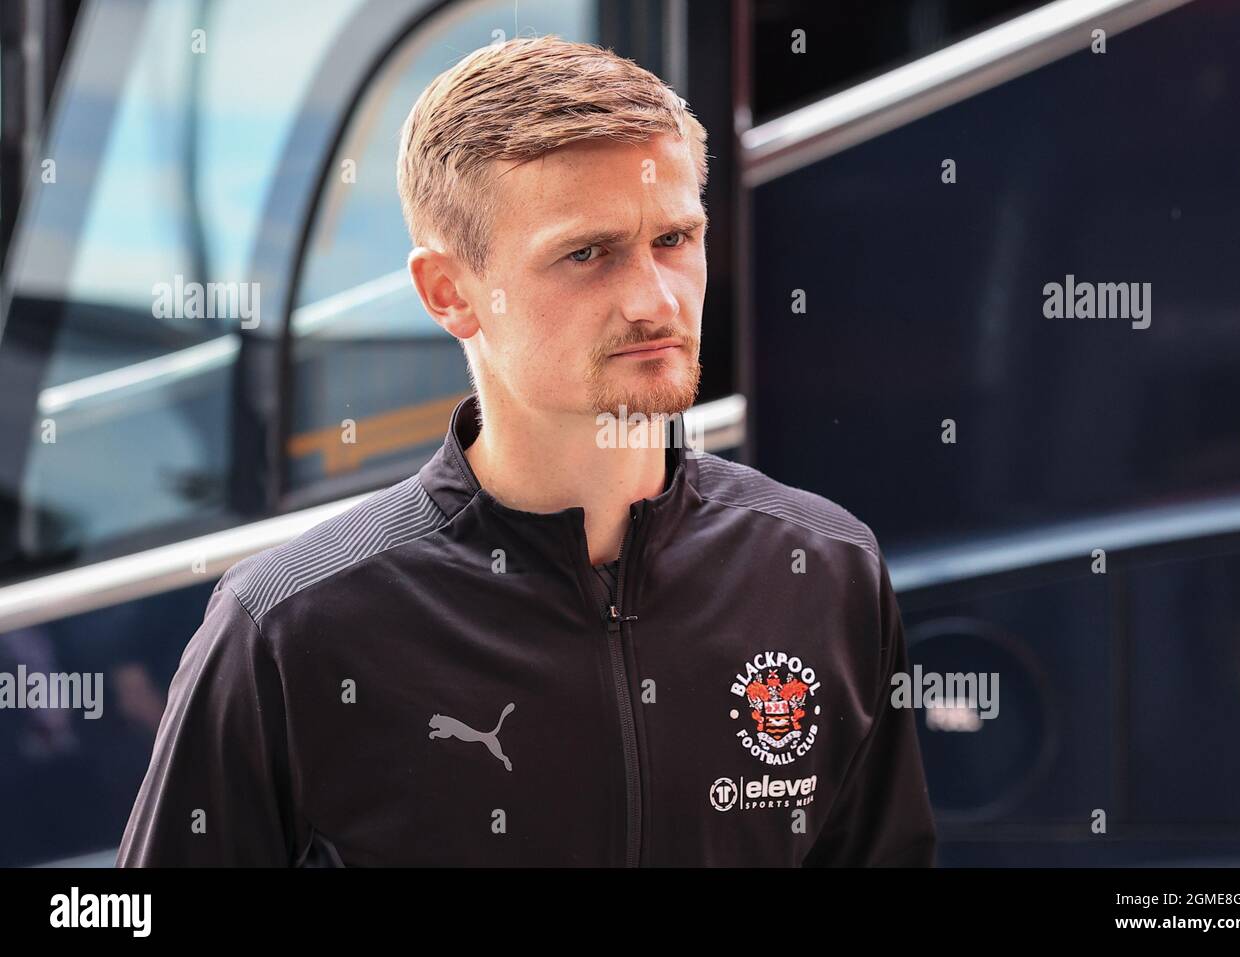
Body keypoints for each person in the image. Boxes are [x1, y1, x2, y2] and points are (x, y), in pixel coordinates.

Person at [117, 34, 936, 867]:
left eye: (674, 240)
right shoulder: (291, 626)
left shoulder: (825, 571)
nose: (655, 301)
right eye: (588, 254)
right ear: (450, 292)